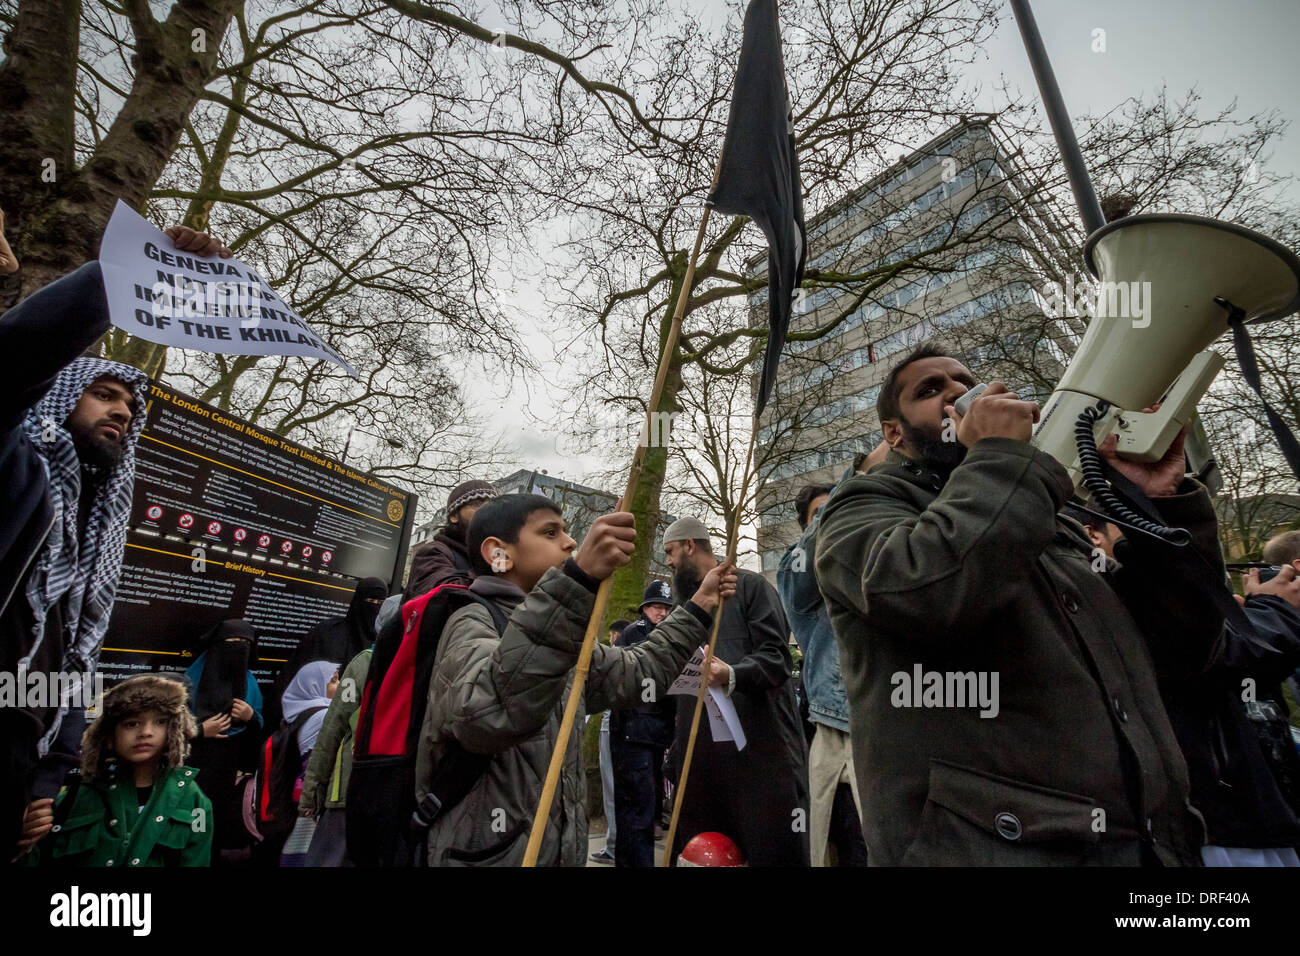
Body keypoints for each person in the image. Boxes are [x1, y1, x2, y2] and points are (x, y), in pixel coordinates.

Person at [815, 343, 1226, 865]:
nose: (958, 392)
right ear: (894, 433)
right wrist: (1004, 460)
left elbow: (1184, 649)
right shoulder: (862, 507)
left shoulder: (1046, 518)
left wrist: (1159, 504)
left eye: (965, 380)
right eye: (929, 390)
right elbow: (928, 593)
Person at [0, 222, 230, 860]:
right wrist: (127, 272)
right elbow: (18, 353)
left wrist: (41, 786)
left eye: (131, 406)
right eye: (105, 394)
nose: (124, 413)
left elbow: (63, 671)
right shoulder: (15, 470)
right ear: (63, 395)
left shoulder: (88, 533)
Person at [413, 493, 736, 866]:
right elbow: (489, 712)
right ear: (497, 554)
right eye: (550, 532)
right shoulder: (469, 621)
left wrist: (699, 604)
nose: (569, 542)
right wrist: (578, 577)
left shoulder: (563, 634)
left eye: (567, 531)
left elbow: (638, 670)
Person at [663, 516, 811, 867]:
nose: (668, 562)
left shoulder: (750, 588)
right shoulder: (682, 610)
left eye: (670, 551)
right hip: (700, 763)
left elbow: (777, 659)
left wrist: (732, 673)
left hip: (758, 758)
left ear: (689, 545)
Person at [22, 674, 213, 867]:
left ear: (174, 731)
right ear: (109, 735)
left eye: (160, 722)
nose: (146, 732)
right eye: (132, 723)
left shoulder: (195, 803)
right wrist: (24, 838)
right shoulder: (74, 797)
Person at [778, 483, 867, 867]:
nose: (831, 518)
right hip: (839, 731)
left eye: (838, 509)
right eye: (820, 514)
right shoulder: (800, 581)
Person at [185, 619, 264, 864]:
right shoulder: (190, 680)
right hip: (194, 764)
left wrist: (250, 718)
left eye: (244, 645)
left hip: (229, 768)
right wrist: (199, 730)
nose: (237, 649)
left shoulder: (249, 682)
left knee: (216, 823)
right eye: (230, 643)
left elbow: (260, 731)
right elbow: (168, 727)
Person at [610, 582, 675, 867]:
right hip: (634, 730)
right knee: (637, 806)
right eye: (657, 607)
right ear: (645, 608)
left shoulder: (671, 633)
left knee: (646, 806)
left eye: (665, 608)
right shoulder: (634, 633)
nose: (662, 613)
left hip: (657, 730)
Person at [299, 648, 372, 866]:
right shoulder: (436, 656)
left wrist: (312, 793)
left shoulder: (366, 661)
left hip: (348, 790)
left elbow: (333, 730)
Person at [405, 480, 498, 600]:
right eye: (477, 504)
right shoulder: (433, 552)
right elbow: (444, 594)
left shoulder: (497, 554)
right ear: (454, 516)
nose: (487, 511)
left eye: (492, 505)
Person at [590, 617, 631, 865]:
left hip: (611, 725)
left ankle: (614, 844)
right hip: (631, 729)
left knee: (611, 788)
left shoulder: (613, 655)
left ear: (615, 636)